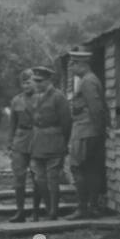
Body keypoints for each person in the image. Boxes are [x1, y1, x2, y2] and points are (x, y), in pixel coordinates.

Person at [66, 46, 108, 219]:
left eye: (73, 64)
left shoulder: (88, 81)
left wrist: (98, 130)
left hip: (86, 131)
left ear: (81, 64)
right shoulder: (89, 79)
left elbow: (96, 108)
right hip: (88, 130)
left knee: (78, 168)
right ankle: (92, 207)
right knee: (91, 169)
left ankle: (84, 208)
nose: (71, 68)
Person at [28, 65, 72, 221]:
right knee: (39, 178)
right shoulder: (35, 96)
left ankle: (53, 212)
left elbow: (66, 123)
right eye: (35, 81)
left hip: (54, 142)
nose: (37, 84)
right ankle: (47, 207)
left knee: (52, 179)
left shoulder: (58, 97)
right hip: (38, 142)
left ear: (48, 81)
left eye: (40, 81)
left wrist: (63, 142)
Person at [6, 68, 36, 222]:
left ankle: (37, 211)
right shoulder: (17, 100)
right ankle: (20, 211)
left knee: (38, 176)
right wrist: (10, 143)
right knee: (19, 177)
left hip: (38, 139)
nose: (26, 86)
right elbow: (12, 124)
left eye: (29, 82)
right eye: (24, 83)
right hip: (20, 140)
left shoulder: (42, 98)